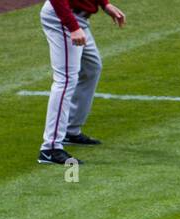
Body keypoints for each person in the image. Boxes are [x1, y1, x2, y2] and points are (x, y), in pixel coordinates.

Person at [38, 0, 126, 166]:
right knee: (65, 80)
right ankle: (50, 148)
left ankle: (70, 130)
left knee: (91, 68)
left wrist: (105, 4)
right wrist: (73, 27)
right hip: (62, 18)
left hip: (79, 20)